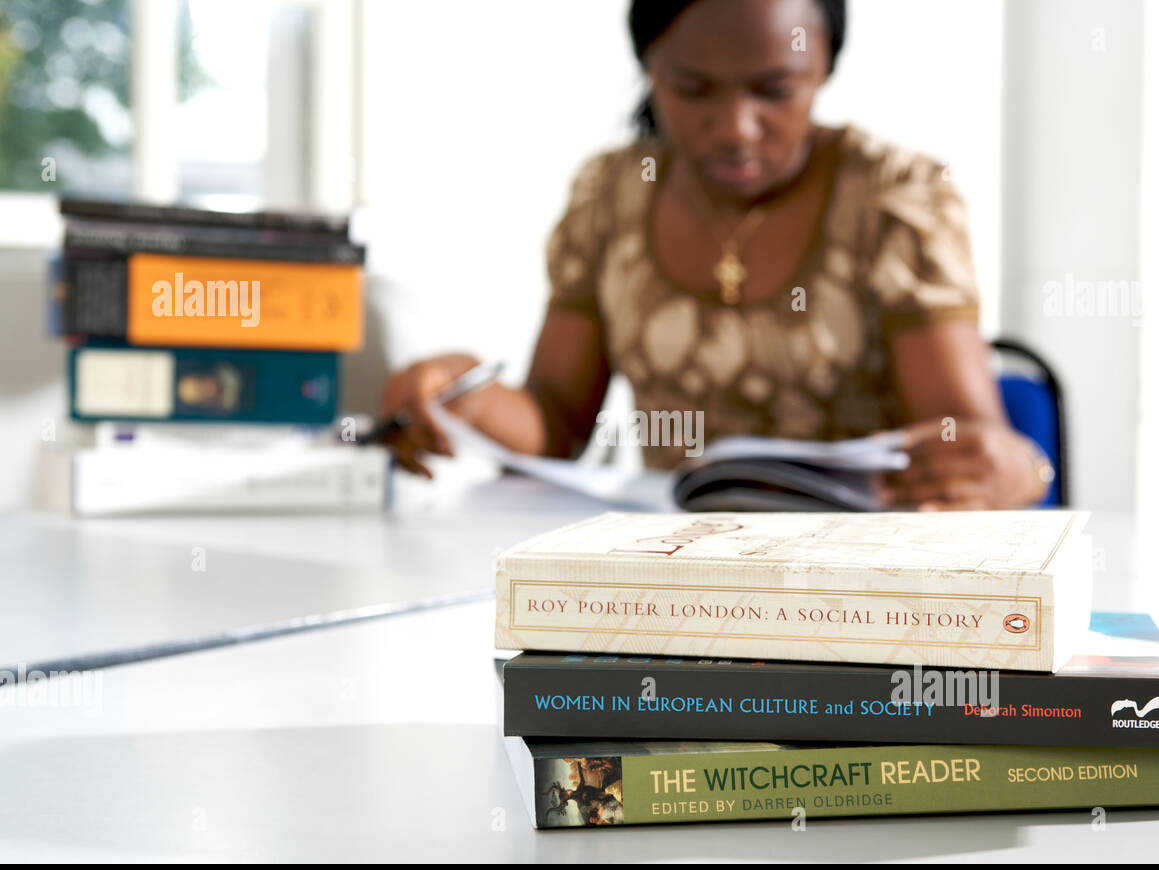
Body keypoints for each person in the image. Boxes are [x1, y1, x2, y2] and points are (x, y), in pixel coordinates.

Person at [380, 0, 1053, 510]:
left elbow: (962, 433)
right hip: (679, 580)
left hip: (858, 593)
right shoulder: (612, 196)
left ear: (823, 67)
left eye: (774, 90)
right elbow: (557, 428)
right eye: (693, 89)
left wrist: (1006, 466)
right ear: (650, 70)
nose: (735, 128)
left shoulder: (893, 200)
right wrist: (464, 395)